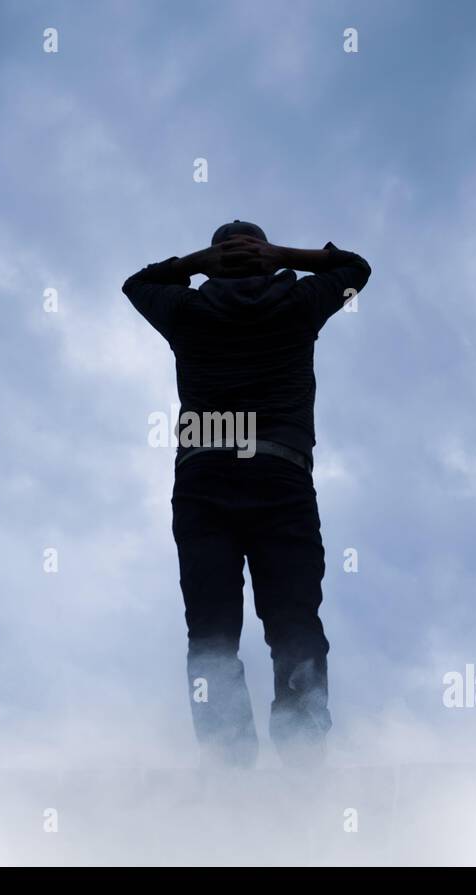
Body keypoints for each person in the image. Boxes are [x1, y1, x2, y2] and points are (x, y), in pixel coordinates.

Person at [122, 221, 371, 769]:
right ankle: (304, 754)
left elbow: (136, 285)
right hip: (280, 477)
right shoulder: (300, 300)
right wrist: (280, 254)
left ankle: (228, 763)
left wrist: (195, 263)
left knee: (211, 631)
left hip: (203, 476)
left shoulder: (186, 310)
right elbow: (356, 268)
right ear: (266, 257)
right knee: (294, 621)